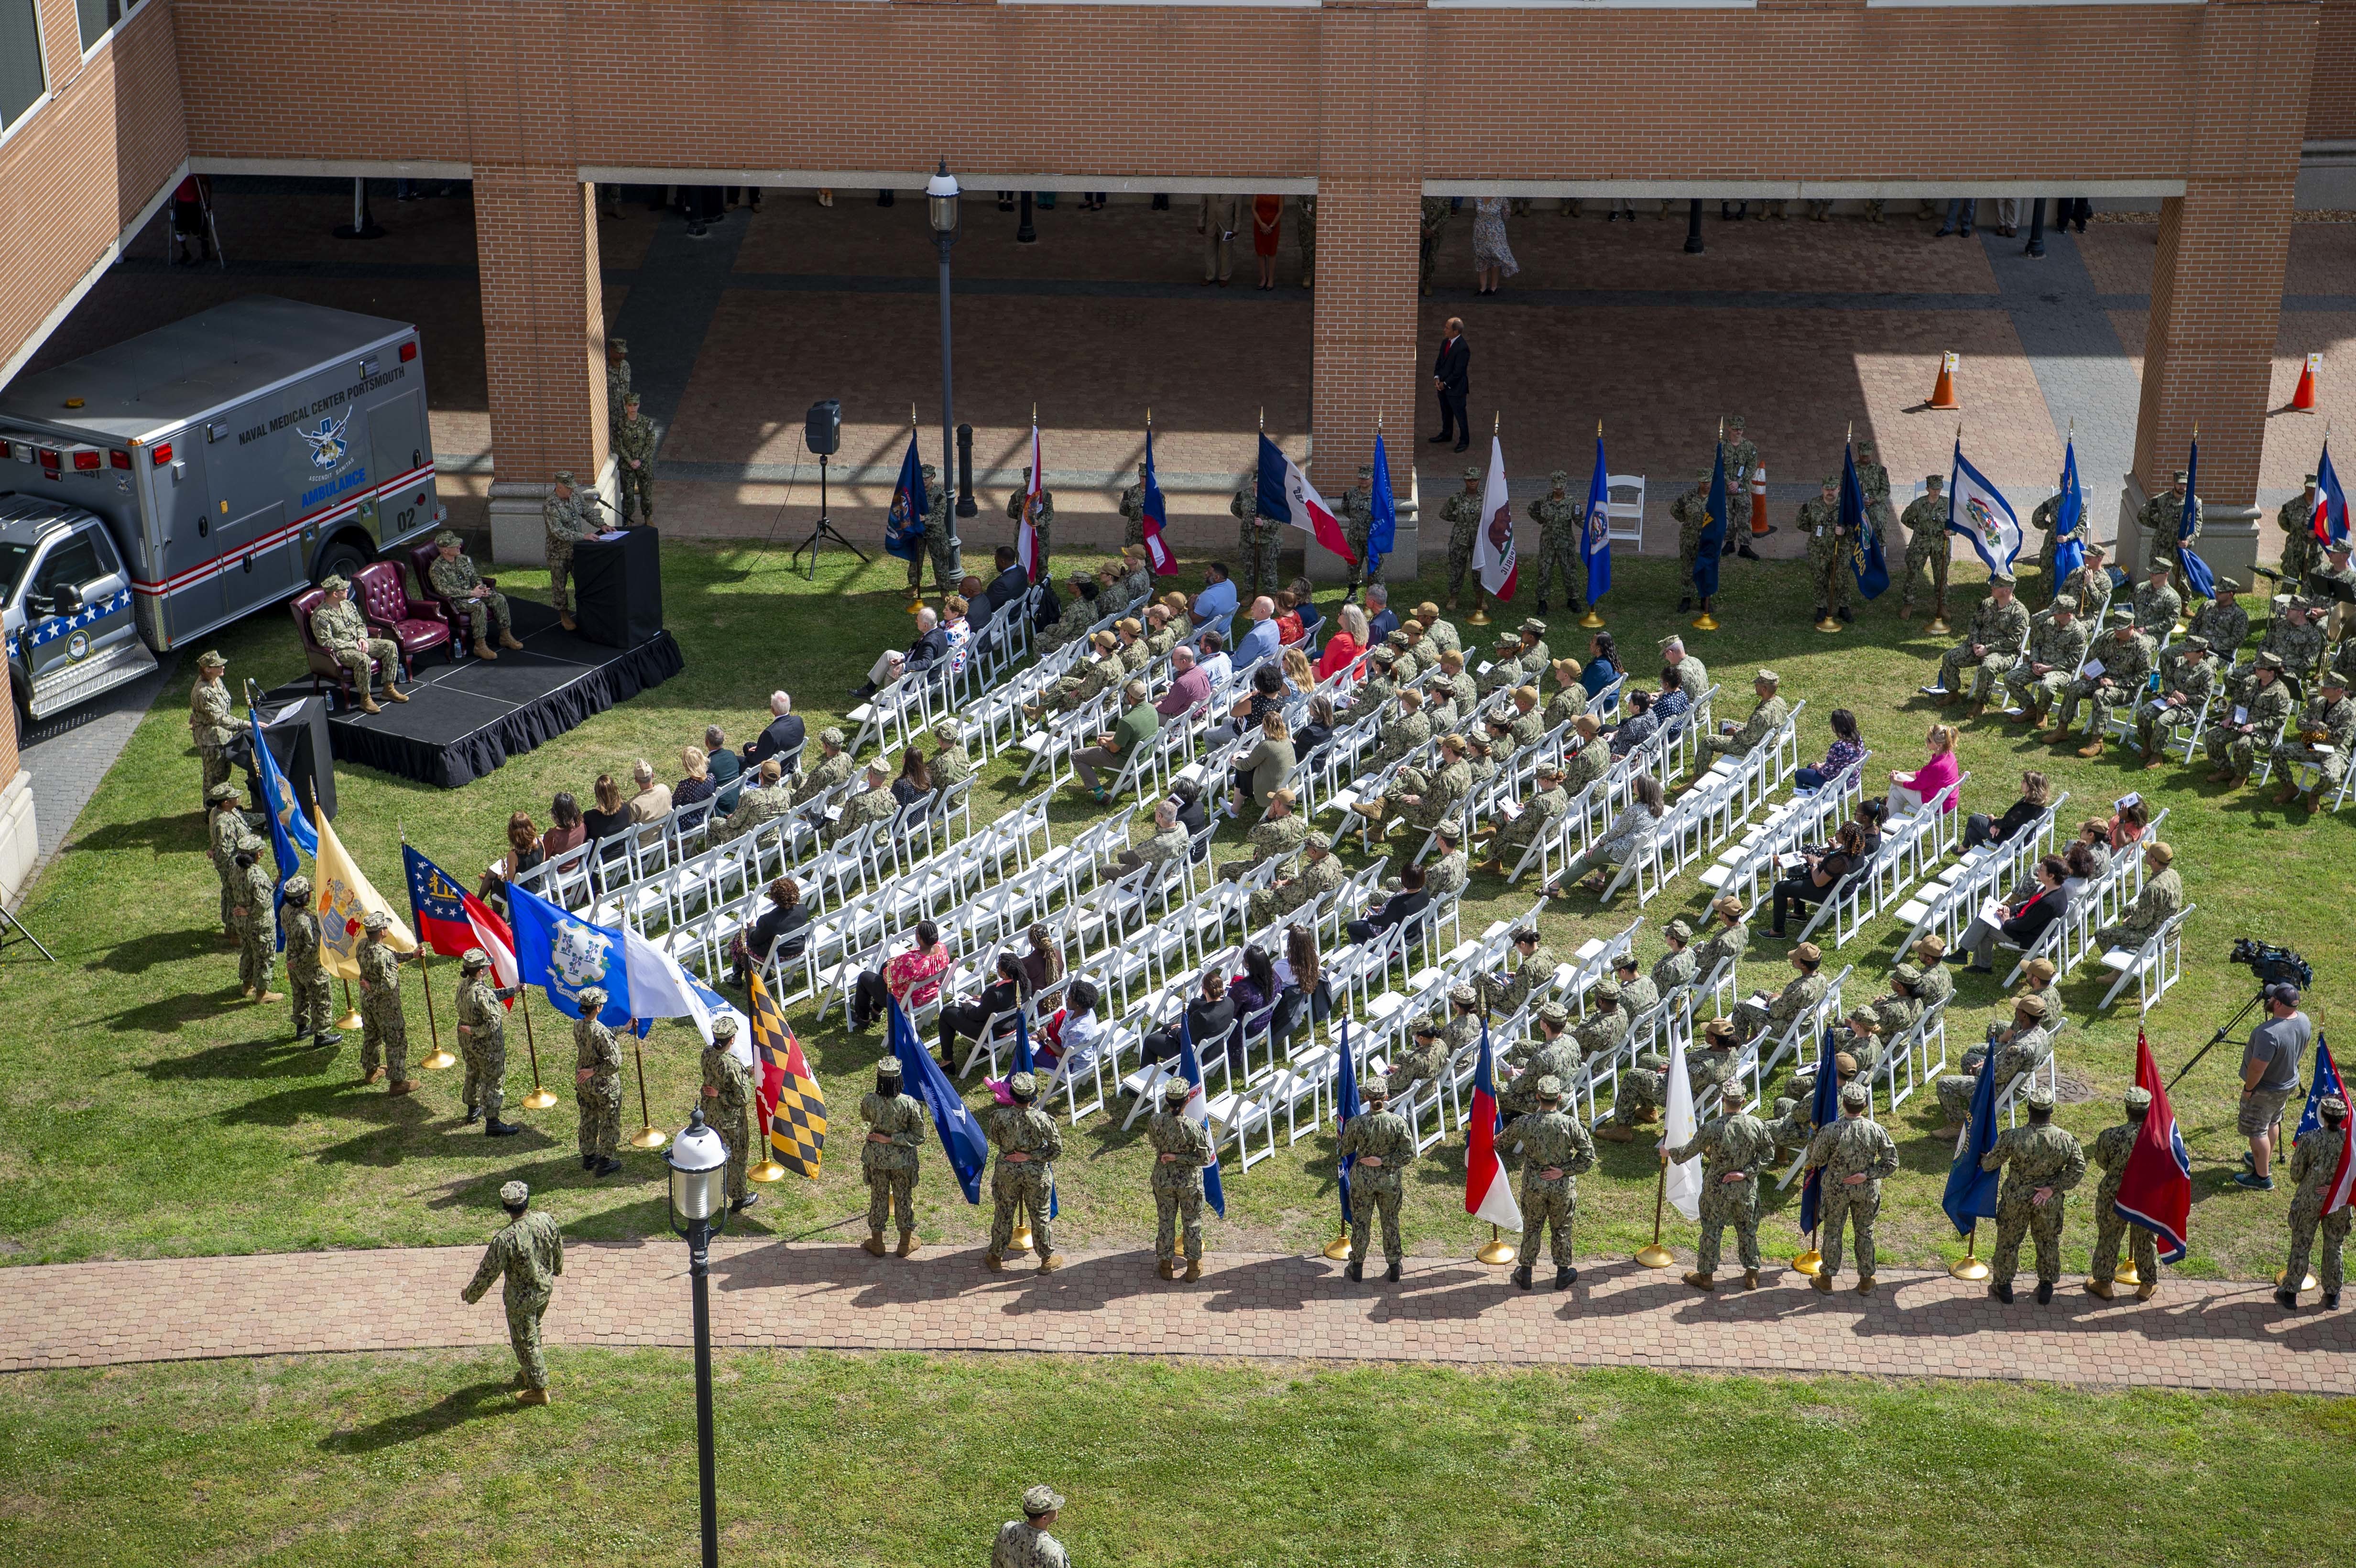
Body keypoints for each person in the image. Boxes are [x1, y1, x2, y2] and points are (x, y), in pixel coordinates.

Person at [1980, 1083, 2087, 1305]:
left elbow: (1990, 1164)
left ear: (2029, 1109)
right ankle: (2046, 1286)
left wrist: (1981, 1157)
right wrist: (2053, 1188)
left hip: (2016, 1199)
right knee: (2048, 1242)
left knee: (2009, 1242)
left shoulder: (2013, 1137)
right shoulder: (2065, 1140)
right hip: (2048, 1202)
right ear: (2051, 1111)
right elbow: (2079, 1168)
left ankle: (2004, 1286)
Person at [461, 1180, 564, 1405]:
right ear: (527, 1200)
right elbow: (558, 1246)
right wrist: (557, 1269)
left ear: (505, 1207)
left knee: (525, 1341)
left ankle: (539, 1389)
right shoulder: (545, 1220)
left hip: (521, 1301)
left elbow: (487, 1273)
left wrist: (470, 1294)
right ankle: (530, 1370)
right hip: (544, 1290)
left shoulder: (505, 1239)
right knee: (533, 1329)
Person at [1803, 1083, 1901, 1294]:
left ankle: (1827, 1278)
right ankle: (1866, 1280)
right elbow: (1892, 1162)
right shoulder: (1875, 1130)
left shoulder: (1831, 1131)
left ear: (1843, 1103)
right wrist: (1867, 1175)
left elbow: (1817, 1160)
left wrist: (1815, 1142)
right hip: (1866, 1190)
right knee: (1865, 1232)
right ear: (1864, 1105)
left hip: (1836, 1190)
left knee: (1833, 1232)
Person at [1671, 1096, 1775, 1292]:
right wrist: (1745, 1173)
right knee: (1748, 1231)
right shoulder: (1756, 1125)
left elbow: (1687, 1152)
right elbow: (1768, 1154)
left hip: (1716, 1191)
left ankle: (1706, 1277)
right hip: (1745, 1190)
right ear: (1743, 1100)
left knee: (1711, 1231)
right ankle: (1752, 1275)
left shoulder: (1712, 1127)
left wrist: (1669, 1152)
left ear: (1723, 1100)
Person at [1505, 1076, 1595, 1292]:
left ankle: (1525, 1273)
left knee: (1532, 1227)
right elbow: (1588, 1156)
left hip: (1533, 1187)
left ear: (1538, 1097)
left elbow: (1500, 1142)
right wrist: (1563, 1171)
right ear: (1560, 1097)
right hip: (1562, 1188)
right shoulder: (1570, 1124)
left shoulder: (1525, 1123)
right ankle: (1563, 1274)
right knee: (1562, 1229)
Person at [1932, 993, 2056, 1136]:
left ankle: (1958, 1125)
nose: (2015, 1011)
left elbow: (1998, 1076)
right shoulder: (2041, 1034)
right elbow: (2006, 1059)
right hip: (2017, 1082)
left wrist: (1979, 1070)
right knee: (1967, 1059)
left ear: (2024, 1016)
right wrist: (1987, 1061)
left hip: (2003, 1089)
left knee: (1944, 1084)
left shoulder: (2020, 1048)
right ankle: (1978, 1109)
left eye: (2018, 1009)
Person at [2083, 1085, 2161, 1302]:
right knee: (2146, 1238)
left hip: (2115, 1192)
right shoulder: (2159, 1137)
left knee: (2109, 1236)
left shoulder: (2110, 1136)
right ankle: (2147, 1285)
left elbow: (2102, 1162)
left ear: (2127, 1109)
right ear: (2148, 1110)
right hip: (2145, 1194)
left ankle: (2104, 1283)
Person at [1142, 1076, 1221, 1281]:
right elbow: (1204, 1158)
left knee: (1166, 1221)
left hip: (1163, 1180)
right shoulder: (1195, 1127)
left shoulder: (1155, 1121)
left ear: (1167, 1100)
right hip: (1189, 1183)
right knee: (1192, 1223)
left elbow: (1155, 1144)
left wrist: (1173, 1156)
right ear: (1187, 1101)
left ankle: (1166, 1265)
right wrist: (1181, 1157)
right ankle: (1193, 1268)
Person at [986, 1070, 1065, 1272]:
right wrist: (1031, 1156)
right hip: (1036, 1175)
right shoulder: (1043, 1119)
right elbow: (1056, 1149)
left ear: (1012, 1094)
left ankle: (996, 1257)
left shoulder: (999, 1117)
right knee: (1040, 1216)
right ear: (1034, 1095)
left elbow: (995, 1138)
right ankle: (1047, 1260)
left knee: (1003, 1213)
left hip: (1007, 1171)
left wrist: (1014, 1151)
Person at [2278, 1094, 2350, 1311]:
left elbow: (2296, 1174)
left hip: (2310, 1199)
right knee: (2334, 1245)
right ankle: (2333, 1294)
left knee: (2301, 1243)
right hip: (2338, 1200)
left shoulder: (2309, 1139)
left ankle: (2291, 1293)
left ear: (2323, 1115)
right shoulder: (2350, 1142)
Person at [2235, 984, 2310, 1191]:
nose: (2268, 999)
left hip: (2265, 1090)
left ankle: (2262, 1177)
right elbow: (2302, 1049)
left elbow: (2257, 1068)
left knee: (2257, 1131)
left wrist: (2249, 1090)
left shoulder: (2267, 1033)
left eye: (2272, 997)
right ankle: (2263, 1159)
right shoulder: (2304, 1020)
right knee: (2273, 1121)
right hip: (2287, 1084)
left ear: (2277, 1003)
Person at [1338, 1080, 1415, 1282]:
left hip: (1362, 1182)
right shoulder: (1398, 1123)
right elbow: (1409, 1154)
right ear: (1386, 1097)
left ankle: (1357, 1267)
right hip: (1389, 1181)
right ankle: (1394, 1265)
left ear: (1367, 1098)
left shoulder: (1355, 1123)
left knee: (1361, 1224)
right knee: (1390, 1223)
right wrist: (1384, 1161)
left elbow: (1344, 1150)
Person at [1546, 773, 1665, 897]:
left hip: (1627, 852)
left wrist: (1599, 844)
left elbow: (1617, 832)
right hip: (1643, 851)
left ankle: (1554, 888)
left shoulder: (1634, 811)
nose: (1634, 783)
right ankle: (1599, 880)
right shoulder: (1656, 808)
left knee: (1587, 859)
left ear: (1643, 790)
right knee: (1607, 846)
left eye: (1637, 783)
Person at [856, 1056, 927, 1259]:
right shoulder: (909, 1104)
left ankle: (877, 1243)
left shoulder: (870, 1100)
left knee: (878, 1198)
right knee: (903, 1198)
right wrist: (894, 1138)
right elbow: (919, 1135)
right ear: (899, 1080)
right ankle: (905, 1243)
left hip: (876, 1160)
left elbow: (865, 1116)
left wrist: (885, 1137)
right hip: (902, 1162)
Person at [307, 576, 408, 714]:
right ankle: (365, 699)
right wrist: (353, 645)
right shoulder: (321, 615)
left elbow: (360, 624)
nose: (347, 590)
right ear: (335, 594)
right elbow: (326, 641)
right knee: (363, 659)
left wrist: (362, 638)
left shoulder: (348, 605)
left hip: (359, 642)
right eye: (344, 589)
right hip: (341, 650)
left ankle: (388, 689)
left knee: (390, 646)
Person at [1934, 570, 2032, 710]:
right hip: (1979, 647)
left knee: (1988, 667)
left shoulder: (2019, 613)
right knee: (1949, 657)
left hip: (2004, 653)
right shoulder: (1987, 604)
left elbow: (2014, 641)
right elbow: (1975, 624)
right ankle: (1953, 694)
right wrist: (1975, 643)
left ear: (2007, 591)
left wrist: (1989, 648)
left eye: (1996, 586)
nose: (1992, 587)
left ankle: (1980, 704)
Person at [1956, 854, 2068, 972]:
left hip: (2028, 938)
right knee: (1986, 917)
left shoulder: (2049, 903)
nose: (2038, 870)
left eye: (2042, 869)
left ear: (2051, 876)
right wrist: (2010, 909)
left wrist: (2007, 921)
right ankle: (1968, 956)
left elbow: (2024, 926)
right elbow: (2027, 905)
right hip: (2027, 928)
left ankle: (1975, 961)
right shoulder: (2056, 890)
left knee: (1985, 925)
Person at [456, 946, 524, 1134]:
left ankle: (472, 1109)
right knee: (493, 1080)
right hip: (486, 1045)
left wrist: (513, 991)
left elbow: (489, 995)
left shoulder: (465, 985)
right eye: (486, 966)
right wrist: (476, 1030)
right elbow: (494, 1022)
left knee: (473, 1072)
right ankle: (493, 1123)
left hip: (468, 1042)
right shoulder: (481, 993)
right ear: (480, 971)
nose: (488, 968)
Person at [354, 910, 420, 1096]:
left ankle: (371, 1070)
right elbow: (388, 986)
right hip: (386, 1007)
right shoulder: (383, 955)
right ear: (382, 932)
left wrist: (411, 956)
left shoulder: (362, 945)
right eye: (386, 927)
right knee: (396, 1040)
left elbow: (390, 957)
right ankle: (398, 1082)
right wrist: (371, 986)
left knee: (372, 1034)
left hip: (368, 1003)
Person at [2206, 651, 2298, 784]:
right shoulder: (2250, 681)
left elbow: (2279, 719)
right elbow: (2236, 700)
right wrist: (2230, 717)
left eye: (2260, 668)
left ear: (2271, 672)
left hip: (2264, 731)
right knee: (2212, 735)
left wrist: (2255, 727)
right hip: (2239, 723)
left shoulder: (2281, 692)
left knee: (2243, 744)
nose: (2256, 670)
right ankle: (2224, 769)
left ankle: (2242, 774)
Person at [426, 531, 521, 660]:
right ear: (445, 550)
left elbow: (474, 577)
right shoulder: (437, 569)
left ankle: (506, 636)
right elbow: (444, 590)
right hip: (456, 600)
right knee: (479, 606)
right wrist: (471, 593)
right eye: (455, 546)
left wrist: (481, 588)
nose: (459, 547)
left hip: (473, 592)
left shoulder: (464, 559)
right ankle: (480, 645)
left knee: (499, 598)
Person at [851, 919, 954, 1034]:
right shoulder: (942, 949)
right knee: (886, 965)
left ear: (919, 938)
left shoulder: (911, 964)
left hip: (907, 1000)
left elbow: (889, 979)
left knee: (865, 977)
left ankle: (863, 1018)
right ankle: (876, 1009)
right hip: (928, 993)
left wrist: (892, 966)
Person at [698, 1014, 756, 1213]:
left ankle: (710, 1192)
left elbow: (718, 1076)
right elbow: (743, 1098)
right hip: (730, 1121)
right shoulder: (732, 1064)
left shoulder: (707, 1053)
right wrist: (722, 1094)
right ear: (732, 1039)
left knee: (713, 1154)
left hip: (709, 1116)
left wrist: (746, 1073)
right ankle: (739, 1197)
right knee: (737, 1158)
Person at [1768, 821, 1865, 938]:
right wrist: (1818, 860)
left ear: (1846, 838)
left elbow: (1819, 882)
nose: (1837, 832)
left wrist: (1814, 865)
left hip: (1830, 893)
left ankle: (1777, 931)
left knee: (1780, 888)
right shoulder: (1856, 851)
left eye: (1840, 831)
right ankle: (1799, 913)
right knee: (1802, 873)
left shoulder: (1840, 862)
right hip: (1841, 889)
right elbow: (1831, 862)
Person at [2273, 672, 2356, 808]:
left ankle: (2315, 794)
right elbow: (2299, 722)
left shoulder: (2349, 711)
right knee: (2277, 752)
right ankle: (2290, 788)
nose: (2323, 688)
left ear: (2339, 691)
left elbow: (2338, 738)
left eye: (2328, 687)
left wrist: (2319, 725)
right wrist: (2315, 727)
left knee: (2330, 778)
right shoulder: (2317, 702)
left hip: (2335, 752)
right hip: (2313, 745)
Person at [938, 952, 1029, 1072]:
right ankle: (984, 1050)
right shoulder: (1026, 983)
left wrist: (967, 1005)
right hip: (1012, 1026)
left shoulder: (995, 993)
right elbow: (1006, 1002)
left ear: (1004, 974)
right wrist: (983, 1000)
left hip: (991, 1032)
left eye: (998, 967)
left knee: (947, 1013)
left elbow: (976, 1015)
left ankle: (947, 1061)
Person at [571, 985, 623, 1177]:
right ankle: (605, 1161)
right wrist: (594, 1071)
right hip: (604, 1087)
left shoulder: (578, 1026)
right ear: (598, 1008)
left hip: (584, 1084)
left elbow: (596, 1037)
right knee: (609, 1121)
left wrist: (622, 1029)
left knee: (588, 1117)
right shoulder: (602, 1033)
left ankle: (588, 1156)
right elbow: (614, 1063)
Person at [277, 874, 336, 1045]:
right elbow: (313, 949)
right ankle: (322, 1035)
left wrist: (294, 962)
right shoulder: (306, 921)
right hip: (310, 967)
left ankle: (301, 1027)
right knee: (321, 999)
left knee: (299, 995)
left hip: (293, 960)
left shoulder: (285, 911)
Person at [852, 607, 949, 701]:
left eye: (918, 620)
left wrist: (905, 666)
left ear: (926, 625)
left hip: (919, 679)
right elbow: (920, 652)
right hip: (928, 674)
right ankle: (871, 689)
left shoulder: (930, 642)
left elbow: (926, 662)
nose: (916, 622)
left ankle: (888, 701)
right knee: (889, 654)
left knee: (891, 669)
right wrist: (904, 658)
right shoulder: (939, 632)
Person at [731, 877, 810, 990]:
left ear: (775, 898)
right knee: (767, 940)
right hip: (797, 949)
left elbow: (754, 939)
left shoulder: (768, 921)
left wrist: (752, 927)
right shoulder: (803, 909)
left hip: (777, 955)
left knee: (741, 938)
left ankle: (736, 977)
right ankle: (765, 973)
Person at [543, 469, 596, 632]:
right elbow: (557, 532)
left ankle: (587, 613)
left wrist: (603, 525)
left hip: (576, 551)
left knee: (584, 581)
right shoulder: (550, 506)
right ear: (559, 487)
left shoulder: (575, 497)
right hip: (558, 554)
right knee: (560, 586)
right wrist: (583, 536)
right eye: (569, 488)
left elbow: (587, 512)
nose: (572, 490)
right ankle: (564, 615)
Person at [229, 849, 281, 1004]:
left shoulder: (235, 867)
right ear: (259, 854)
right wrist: (249, 910)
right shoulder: (257, 876)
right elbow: (263, 904)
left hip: (242, 924)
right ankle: (262, 994)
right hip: (259, 925)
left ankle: (247, 986)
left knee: (248, 951)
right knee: (264, 956)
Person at [1898, 474, 1951, 622]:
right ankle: (1908, 604)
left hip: (1940, 545)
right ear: (1927, 489)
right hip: (1920, 544)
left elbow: (1955, 524)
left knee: (1941, 576)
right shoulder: (1918, 504)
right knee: (1913, 574)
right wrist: (1918, 528)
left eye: (1939, 489)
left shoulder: (1947, 504)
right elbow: (1905, 518)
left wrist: (1950, 532)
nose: (1936, 492)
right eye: (1933, 489)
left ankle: (1942, 605)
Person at [1704, 670, 1789, 757]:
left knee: (1708, 741)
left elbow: (1747, 739)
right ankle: (1728, 759)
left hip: (1755, 748)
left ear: (1764, 689)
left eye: (1757, 684)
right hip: (1767, 741)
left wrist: (1735, 732)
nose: (1755, 686)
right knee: (1724, 723)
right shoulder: (1780, 702)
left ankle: (1701, 771)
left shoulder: (1761, 715)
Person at [1963, 770, 2051, 851]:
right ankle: (1980, 858)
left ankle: (1964, 848)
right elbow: (2010, 821)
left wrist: (1994, 820)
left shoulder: (2025, 808)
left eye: (2024, 782)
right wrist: (1999, 824)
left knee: (1973, 819)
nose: (2022, 783)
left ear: (2032, 787)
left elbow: (2005, 823)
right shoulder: (2038, 805)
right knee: (1971, 832)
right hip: (2020, 839)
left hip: (2008, 840)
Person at [1886, 722, 1960, 815]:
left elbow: (1916, 785)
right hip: (1944, 801)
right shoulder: (1949, 756)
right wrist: (1903, 773)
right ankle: (1888, 824)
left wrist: (1896, 781)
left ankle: (1885, 805)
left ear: (1940, 745)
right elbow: (1924, 775)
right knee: (1896, 795)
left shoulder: (1938, 766)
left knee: (1899, 778)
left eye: (1929, 740)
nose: (1926, 741)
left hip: (1934, 805)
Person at [1347, 863, 1428, 945]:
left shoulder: (1401, 903)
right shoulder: (1424, 892)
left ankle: (1368, 952)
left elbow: (1383, 922)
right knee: (1365, 914)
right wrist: (1383, 909)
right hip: (1412, 931)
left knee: (1352, 927)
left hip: (1395, 936)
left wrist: (1370, 917)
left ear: (1405, 880)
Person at [994, 1486, 1070, 1568]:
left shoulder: (1007, 1529)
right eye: (1055, 1508)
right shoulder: (1054, 1552)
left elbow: (996, 1564)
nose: (1058, 1510)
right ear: (1044, 1519)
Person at [1798, 708, 1865, 791]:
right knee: (1810, 767)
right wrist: (1822, 765)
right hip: (1852, 780)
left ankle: (1813, 799)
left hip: (1838, 785)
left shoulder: (1838, 747)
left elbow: (1826, 772)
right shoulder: (1858, 739)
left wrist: (1819, 767)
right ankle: (1815, 793)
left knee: (1799, 774)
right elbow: (1841, 762)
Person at [581, 773, 631, 854]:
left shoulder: (590, 817)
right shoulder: (625, 809)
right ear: (615, 790)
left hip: (598, 860)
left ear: (598, 796)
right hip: (619, 854)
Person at [1199, 192, 1241, 285]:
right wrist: (1201, 223)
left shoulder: (1235, 191)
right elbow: (1203, 206)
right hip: (1210, 225)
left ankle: (1224, 277)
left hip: (1227, 227)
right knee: (1209, 251)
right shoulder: (1209, 186)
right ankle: (1210, 276)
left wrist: (1237, 227)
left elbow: (1238, 211)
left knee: (1226, 253)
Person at [626, 758, 672, 824]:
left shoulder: (634, 805)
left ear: (636, 780)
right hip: (663, 832)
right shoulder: (665, 790)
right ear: (653, 775)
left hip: (643, 834)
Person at [542, 792, 587, 860]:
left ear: (556, 814)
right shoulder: (582, 826)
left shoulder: (552, 837)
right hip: (576, 867)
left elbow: (544, 858)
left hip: (557, 870)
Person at [891, 747, 934, 812]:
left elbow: (892, 804)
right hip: (919, 817)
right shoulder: (927, 777)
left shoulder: (901, 784)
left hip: (904, 820)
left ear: (905, 760)